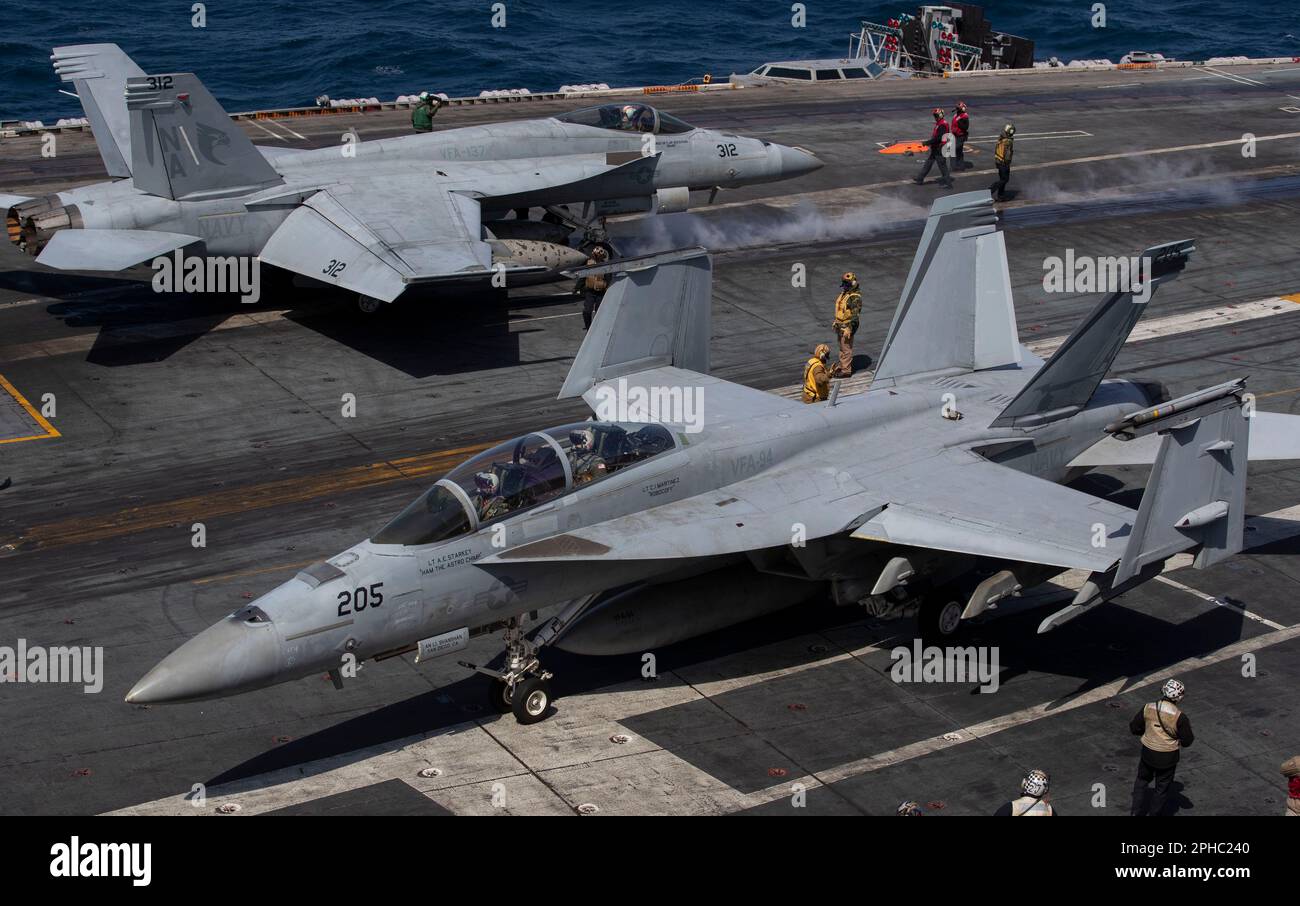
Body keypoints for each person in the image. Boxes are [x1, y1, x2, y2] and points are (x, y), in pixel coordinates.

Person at [1130, 678, 1194, 816]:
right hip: (1167, 757)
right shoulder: (1179, 717)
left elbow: (1134, 728)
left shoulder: (1148, 707)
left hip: (1148, 753)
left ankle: (1135, 813)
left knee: (1141, 781)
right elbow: (1188, 741)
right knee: (1161, 789)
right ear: (1179, 697)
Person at [830, 272, 863, 378]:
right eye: (844, 283)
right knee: (841, 347)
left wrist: (850, 328)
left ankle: (846, 370)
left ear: (852, 283)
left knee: (846, 348)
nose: (844, 285)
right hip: (840, 325)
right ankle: (842, 366)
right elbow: (841, 311)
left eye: (847, 283)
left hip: (847, 326)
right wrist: (836, 322)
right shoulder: (845, 293)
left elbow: (855, 315)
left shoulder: (854, 297)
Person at [913, 108, 954, 189]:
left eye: (936, 115)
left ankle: (948, 184)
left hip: (940, 148)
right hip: (936, 147)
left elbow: (938, 138)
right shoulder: (939, 123)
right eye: (934, 115)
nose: (935, 117)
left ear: (940, 115)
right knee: (928, 163)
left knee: (942, 166)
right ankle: (920, 179)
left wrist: (927, 143)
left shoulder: (942, 124)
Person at [579, 246, 611, 329]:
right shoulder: (588, 264)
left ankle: (598, 328)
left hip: (600, 293)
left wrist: (608, 289)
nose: (596, 257)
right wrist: (577, 288)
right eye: (595, 255)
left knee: (599, 312)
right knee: (587, 311)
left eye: (598, 255)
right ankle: (588, 327)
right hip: (590, 292)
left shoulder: (605, 266)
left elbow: (608, 279)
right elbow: (583, 276)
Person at [990, 123, 1015, 201]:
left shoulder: (1001, 137)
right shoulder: (1008, 141)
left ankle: (1001, 196)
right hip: (1004, 163)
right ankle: (991, 189)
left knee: (1002, 179)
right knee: (1005, 179)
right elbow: (1007, 154)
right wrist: (1007, 163)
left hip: (998, 161)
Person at [951, 101, 970, 170]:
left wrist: (959, 123)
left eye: (958, 108)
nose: (957, 109)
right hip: (955, 135)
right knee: (959, 151)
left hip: (960, 136)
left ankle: (956, 166)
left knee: (955, 150)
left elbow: (966, 127)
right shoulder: (956, 115)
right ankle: (960, 166)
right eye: (957, 108)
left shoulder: (964, 116)